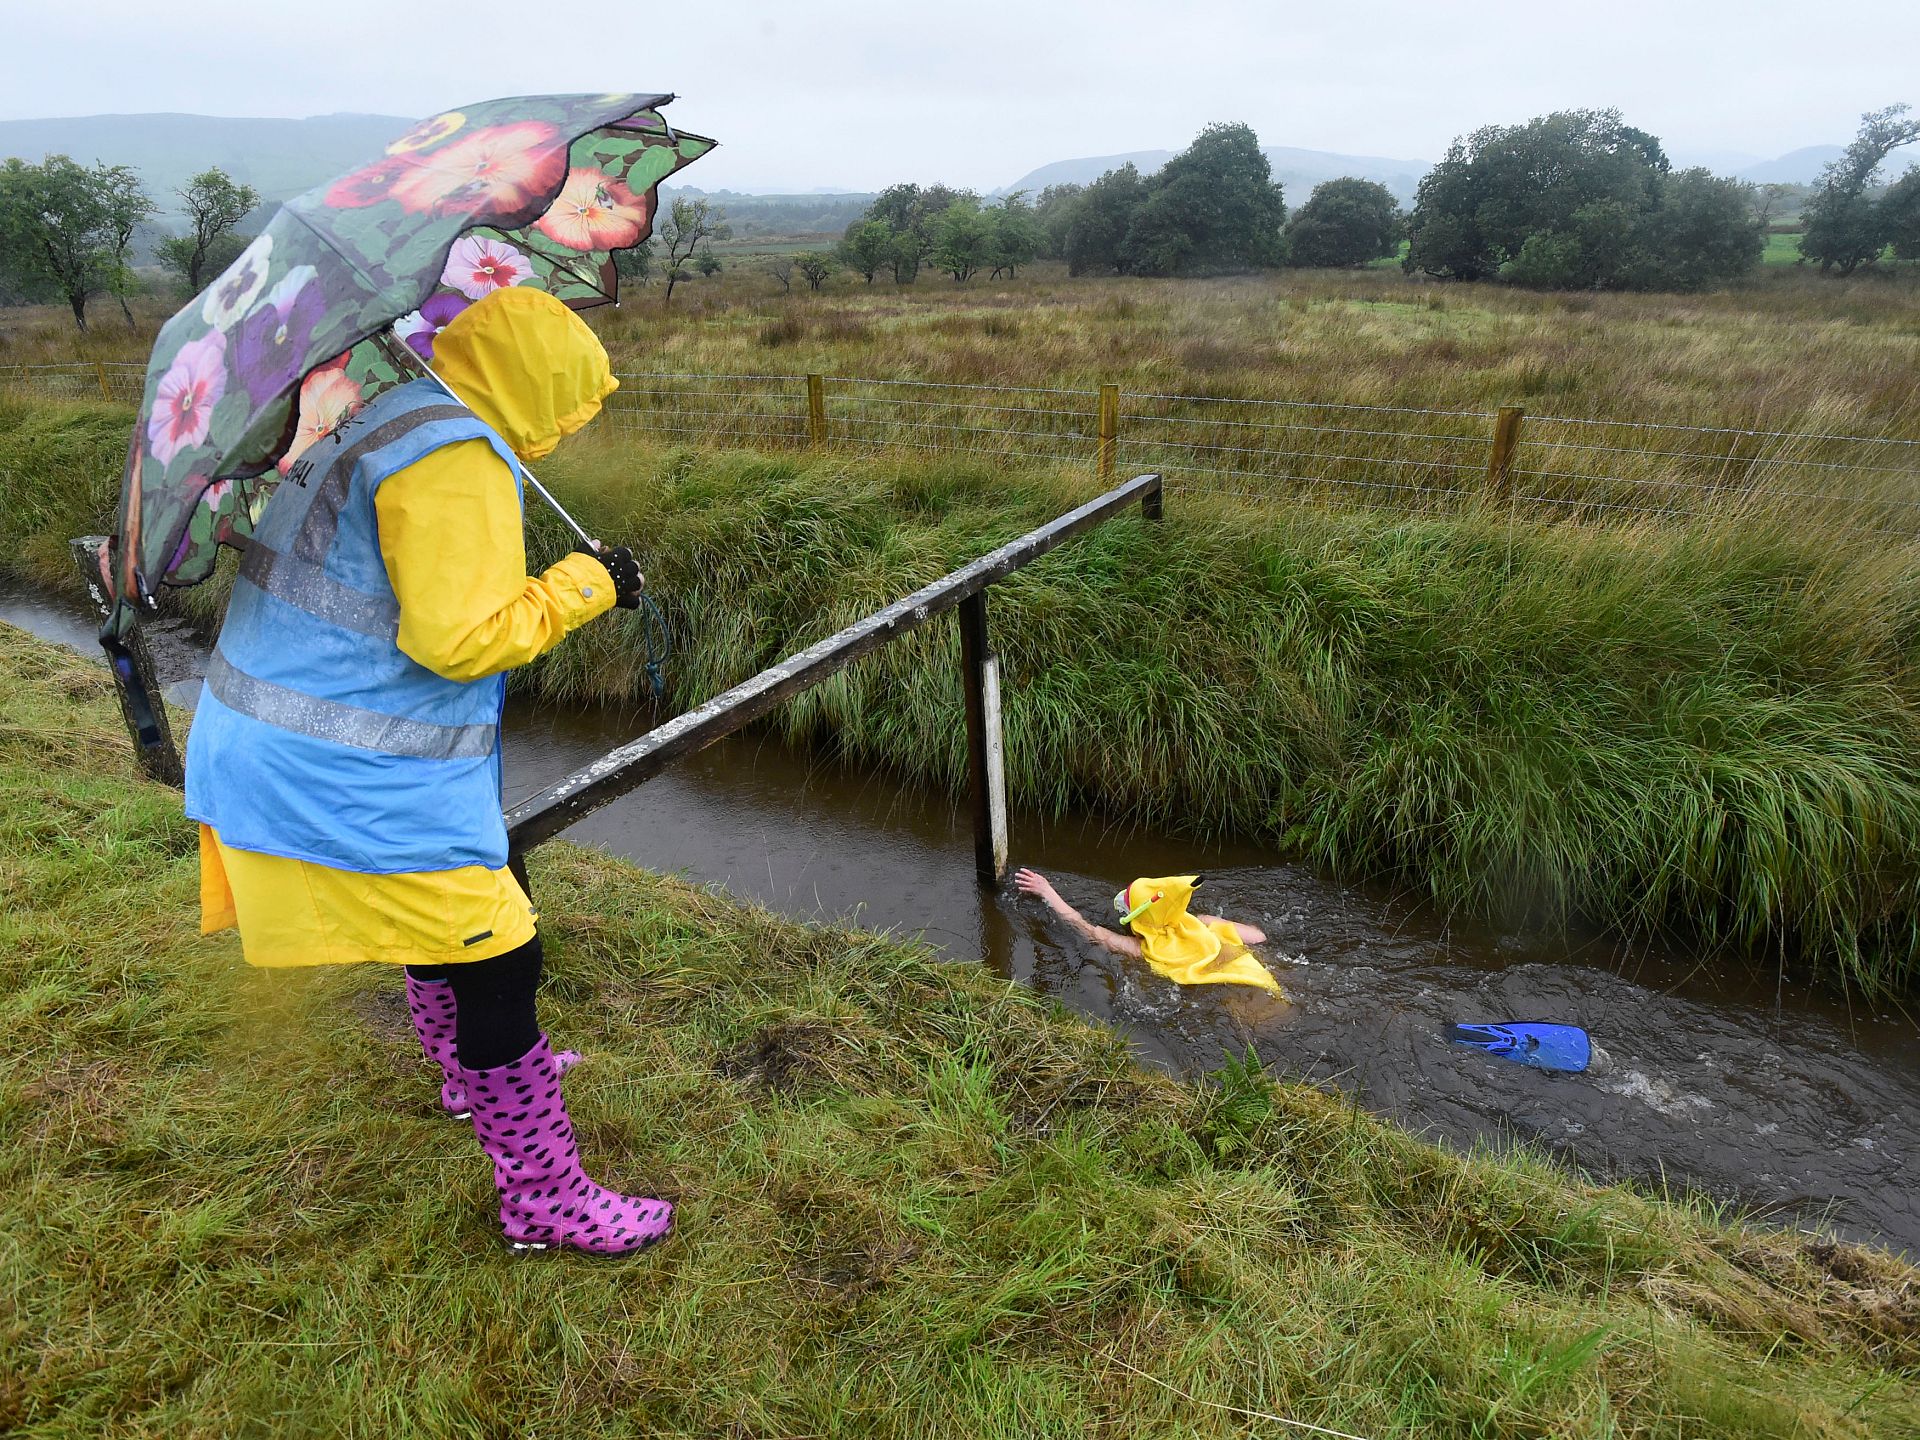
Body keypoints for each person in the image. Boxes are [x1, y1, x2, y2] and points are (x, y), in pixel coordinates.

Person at [186, 285, 670, 1256]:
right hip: (341, 761)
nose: (565, 434)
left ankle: (465, 1073)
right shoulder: (453, 458)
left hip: (295, 739)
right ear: (534, 386)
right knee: (499, 953)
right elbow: (461, 639)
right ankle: (542, 1199)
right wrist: (588, 584)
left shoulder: (383, 417)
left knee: (451, 922)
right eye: (567, 409)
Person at [1014, 868, 1285, 996]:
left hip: (1235, 998)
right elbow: (1257, 937)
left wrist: (1046, 891)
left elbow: (1083, 927)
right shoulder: (1205, 923)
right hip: (1263, 981)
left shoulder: (1141, 949)